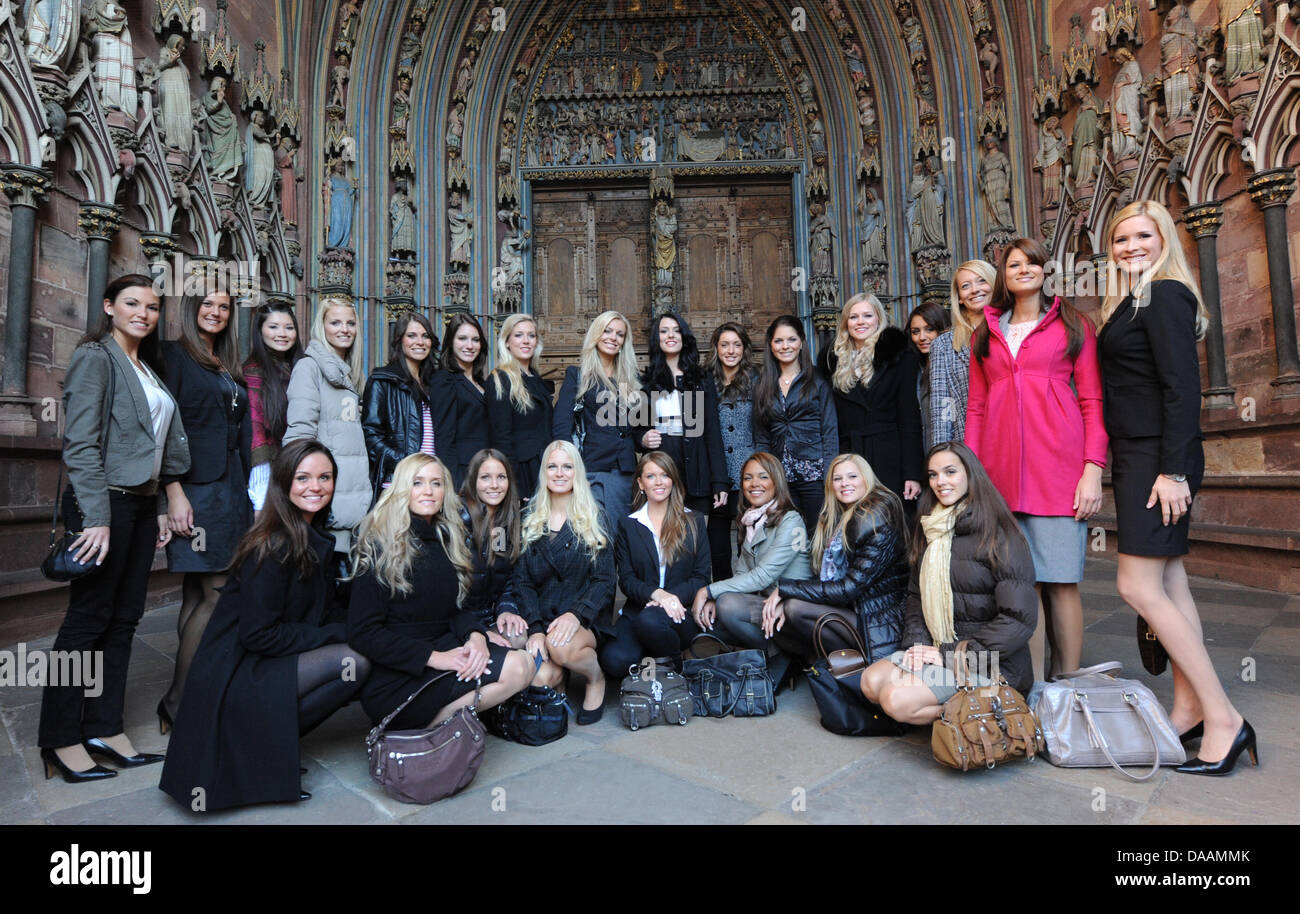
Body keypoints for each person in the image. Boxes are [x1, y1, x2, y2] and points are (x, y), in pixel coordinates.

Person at [1099, 200, 1255, 775]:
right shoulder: (1132, 299)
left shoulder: (1164, 294)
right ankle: (1189, 705)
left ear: (1164, 238)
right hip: (1142, 456)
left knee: (1136, 586)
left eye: (1143, 235)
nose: (1131, 246)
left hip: (1155, 462)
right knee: (1170, 581)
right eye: (1121, 238)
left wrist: (1174, 472)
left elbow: (1182, 390)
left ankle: (1224, 719)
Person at [159, 440, 370, 810]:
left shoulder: (311, 536)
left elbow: (320, 610)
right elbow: (259, 634)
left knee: (363, 653)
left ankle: (267, 742)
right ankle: (254, 742)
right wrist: (342, 635)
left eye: (325, 477)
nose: (315, 486)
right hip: (237, 673)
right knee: (354, 662)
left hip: (262, 660)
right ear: (284, 483)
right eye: (303, 478)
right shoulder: (271, 545)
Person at [38, 275, 189, 782]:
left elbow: (155, 443)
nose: (143, 314)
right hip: (104, 507)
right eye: (131, 304)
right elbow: (80, 445)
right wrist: (97, 518)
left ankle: (103, 726)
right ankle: (60, 737)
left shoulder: (146, 367)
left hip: (141, 507)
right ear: (109, 307)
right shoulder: (96, 358)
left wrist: (164, 503)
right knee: (86, 621)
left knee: (125, 620)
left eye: (151, 307)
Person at [965, 237, 1107, 679]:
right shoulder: (985, 333)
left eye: (1032, 263)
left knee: (1061, 583)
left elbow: (1092, 400)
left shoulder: (1074, 325)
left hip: (1058, 472)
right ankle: (1035, 693)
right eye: (1013, 264)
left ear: (1046, 270)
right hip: (1000, 477)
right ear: (1002, 276)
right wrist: (971, 474)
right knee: (1020, 588)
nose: (1023, 269)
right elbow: (976, 407)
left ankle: (1067, 686)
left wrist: (1092, 470)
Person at [348, 454, 535, 733]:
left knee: (524, 666)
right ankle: (422, 728)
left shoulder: (446, 537)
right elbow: (363, 632)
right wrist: (434, 657)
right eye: (418, 483)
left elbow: (455, 610)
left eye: (436, 483)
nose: (428, 491)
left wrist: (476, 637)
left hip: (448, 649)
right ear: (401, 488)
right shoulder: (379, 545)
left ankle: (438, 723)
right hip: (400, 674)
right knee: (515, 669)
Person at [860, 444, 1037, 725]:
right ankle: (963, 708)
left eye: (950, 472)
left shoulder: (1000, 534)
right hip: (940, 651)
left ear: (970, 474)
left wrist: (952, 655)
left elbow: (1018, 621)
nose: (940, 482)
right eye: (933, 474)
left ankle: (998, 709)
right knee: (871, 682)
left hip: (990, 661)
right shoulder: (931, 527)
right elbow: (916, 598)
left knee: (896, 700)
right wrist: (918, 648)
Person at [157, 289, 253, 728]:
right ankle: (180, 703)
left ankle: (190, 691)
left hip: (231, 486)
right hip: (195, 488)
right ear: (191, 308)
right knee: (216, 592)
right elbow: (160, 427)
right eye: (208, 305)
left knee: (197, 592)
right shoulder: (173, 357)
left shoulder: (226, 364)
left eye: (224, 307)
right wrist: (172, 492)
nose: (216, 312)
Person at [762, 453, 908, 664]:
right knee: (776, 614)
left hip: (876, 620)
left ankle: (850, 666)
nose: (844, 484)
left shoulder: (875, 517)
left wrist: (785, 589)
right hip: (852, 610)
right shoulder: (839, 517)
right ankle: (819, 663)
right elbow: (823, 579)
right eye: (837, 479)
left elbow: (849, 588)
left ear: (866, 478)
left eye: (852, 477)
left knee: (795, 608)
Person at [510, 441, 615, 724]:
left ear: (576, 473)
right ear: (543, 472)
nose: (559, 473)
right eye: (552, 466)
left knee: (560, 646)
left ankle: (595, 678)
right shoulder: (527, 519)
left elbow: (604, 579)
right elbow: (521, 582)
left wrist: (576, 615)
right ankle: (560, 676)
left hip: (585, 618)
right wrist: (534, 628)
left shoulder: (596, 517)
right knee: (539, 678)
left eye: (567, 466)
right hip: (542, 617)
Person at [692, 452, 812, 687]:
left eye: (763, 477)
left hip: (790, 610)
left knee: (727, 605)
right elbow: (742, 574)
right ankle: (767, 655)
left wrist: (709, 591)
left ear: (776, 481)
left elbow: (762, 576)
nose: (754, 484)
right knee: (705, 618)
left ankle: (784, 655)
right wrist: (714, 599)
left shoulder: (791, 519)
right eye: (747, 478)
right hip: (763, 607)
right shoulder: (750, 520)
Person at [600, 452, 711, 678]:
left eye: (665, 475)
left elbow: (701, 576)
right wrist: (657, 595)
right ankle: (655, 658)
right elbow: (628, 580)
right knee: (614, 661)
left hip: (681, 614)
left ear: (673, 480)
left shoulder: (694, 520)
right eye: (651, 476)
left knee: (651, 621)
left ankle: (675, 664)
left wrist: (670, 598)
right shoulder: (628, 525)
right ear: (641, 483)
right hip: (638, 609)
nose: (659, 482)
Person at [285, 297, 371, 555]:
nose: (344, 329)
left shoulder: (352, 375)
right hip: (326, 501)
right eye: (335, 322)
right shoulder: (308, 368)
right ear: (322, 326)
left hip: (351, 499)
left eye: (350, 323)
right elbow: (299, 435)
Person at [819, 293, 924, 505]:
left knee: (889, 521)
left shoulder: (900, 357)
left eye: (867, 315)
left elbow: (909, 417)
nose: (860, 322)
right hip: (850, 457)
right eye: (853, 317)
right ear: (845, 322)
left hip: (889, 455)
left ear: (878, 318)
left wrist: (912, 473)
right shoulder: (831, 360)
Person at [552, 310, 643, 531]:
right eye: (607, 331)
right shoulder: (579, 375)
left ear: (624, 342)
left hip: (625, 472)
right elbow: (561, 427)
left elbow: (636, 429)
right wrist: (569, 470)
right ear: (596, 335)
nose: (613, 337)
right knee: (597, 538)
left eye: (619, 334)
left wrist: (645, 439)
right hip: (593, 470)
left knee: (622, 539)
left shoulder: (632, 379)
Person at [752, 315, 838, 532]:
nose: (785, 346)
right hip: (781, 480)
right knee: (786, 538)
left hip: (814, 477)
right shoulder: (763, 385)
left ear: (801, 343)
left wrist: (829, 477)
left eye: (791, 339)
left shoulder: (817, 381)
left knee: (818, 535)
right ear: (770, 346)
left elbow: (829, 431)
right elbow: (762, 436)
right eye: (778, 341)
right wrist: (766, 477)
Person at [639, 311, 728, 516]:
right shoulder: (647, 382)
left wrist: (719, 481)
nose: (671, 335)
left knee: (697, 542)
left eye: (676, 330)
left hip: (698, 473)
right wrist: (643, 438)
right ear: (656, 339)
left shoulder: (702, 379)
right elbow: (638, 429)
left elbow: (713, 432)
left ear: (684, 337)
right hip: (662, 471)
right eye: (664, 331)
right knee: (664, 542)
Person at [361, 312, 442, 502]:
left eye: (425, 336)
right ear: (400, 340)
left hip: (433, 481)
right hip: (399, 482)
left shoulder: (436, 383)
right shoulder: (382, 380)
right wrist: (406, 462)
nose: (420, 342)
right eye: (411, 335)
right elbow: (371, 436)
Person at [458, 448, 528, 648]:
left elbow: (505, 578)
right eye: (486, 478)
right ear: (473, 481)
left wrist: (506, 609)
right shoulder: (457, 520)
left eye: (501, 477)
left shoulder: (503, 523)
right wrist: (478, 630)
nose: (495, 485)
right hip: (459, 620)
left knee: (518, 637)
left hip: (489, 615)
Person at [243, 302, 304, 515]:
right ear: (260, 331)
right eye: (274, 327)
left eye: (289, 327)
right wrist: (260, 497)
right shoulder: (254, 371)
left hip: (301, 471)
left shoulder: (300, 368)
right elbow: (258, 435)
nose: (282, 334)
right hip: (271, 480)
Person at [486, 314, 554, 502]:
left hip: (544, 466)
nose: (526, 341)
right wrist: (513, 482)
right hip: (522, 471)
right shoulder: (500, 379)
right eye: (518, 335)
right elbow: (501, 437)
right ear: (507, 341)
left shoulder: (536, 379)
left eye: (531, 336)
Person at [928, 260, 995, 448]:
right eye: (965, 286)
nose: (974, 290)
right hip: (967, 444)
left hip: (1012, 437)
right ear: (959, 297)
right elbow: (943, 407)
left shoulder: (1012, 332)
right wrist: (942, 455)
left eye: (982, 281)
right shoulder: (943, 345)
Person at [708, 322, 757, 578]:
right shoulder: (705, 381)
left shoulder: (757, 380)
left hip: (748, 474)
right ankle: (721, 595)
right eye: (725, 344)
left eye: (736, 345)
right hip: (716, 476)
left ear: (744, 349)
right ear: (716, 348)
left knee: (748, 540)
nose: (731, 350)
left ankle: (748, 598)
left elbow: (763, 428)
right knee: (717, 544)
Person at [438, 313, 490, 488]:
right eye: (462, 338)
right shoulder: (444, 380)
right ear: (451, 342)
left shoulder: (482, 383)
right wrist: (454, 484)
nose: (470, 345)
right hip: (462, 472)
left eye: (475, 340)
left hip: (486, 469)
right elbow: (444, 438)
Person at [906, 301, 951, 450]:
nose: (922, 337)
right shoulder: (914, 370)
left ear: (942, 328)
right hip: (922, 453)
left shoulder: (951, 365)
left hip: (949, 449)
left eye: (929, 329)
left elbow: (950, 414)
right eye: (915, 331)